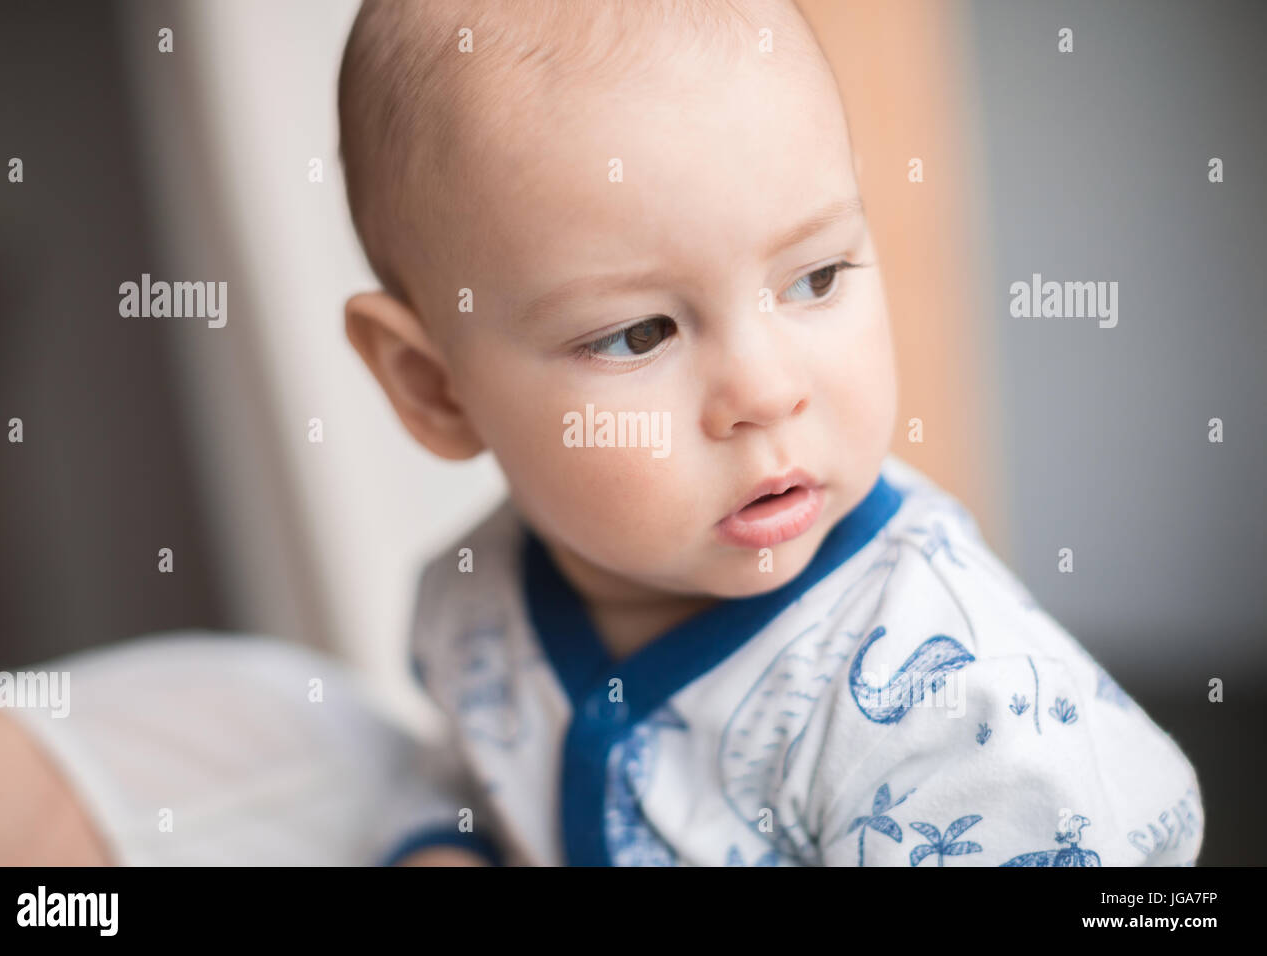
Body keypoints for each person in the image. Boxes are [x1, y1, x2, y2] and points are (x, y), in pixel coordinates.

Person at [336, 0, 1203, 865]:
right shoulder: (475, 605)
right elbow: (467, 779)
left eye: (816, 277)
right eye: (640, 334)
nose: (769, 391)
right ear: (436, 390)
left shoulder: (962, 717)